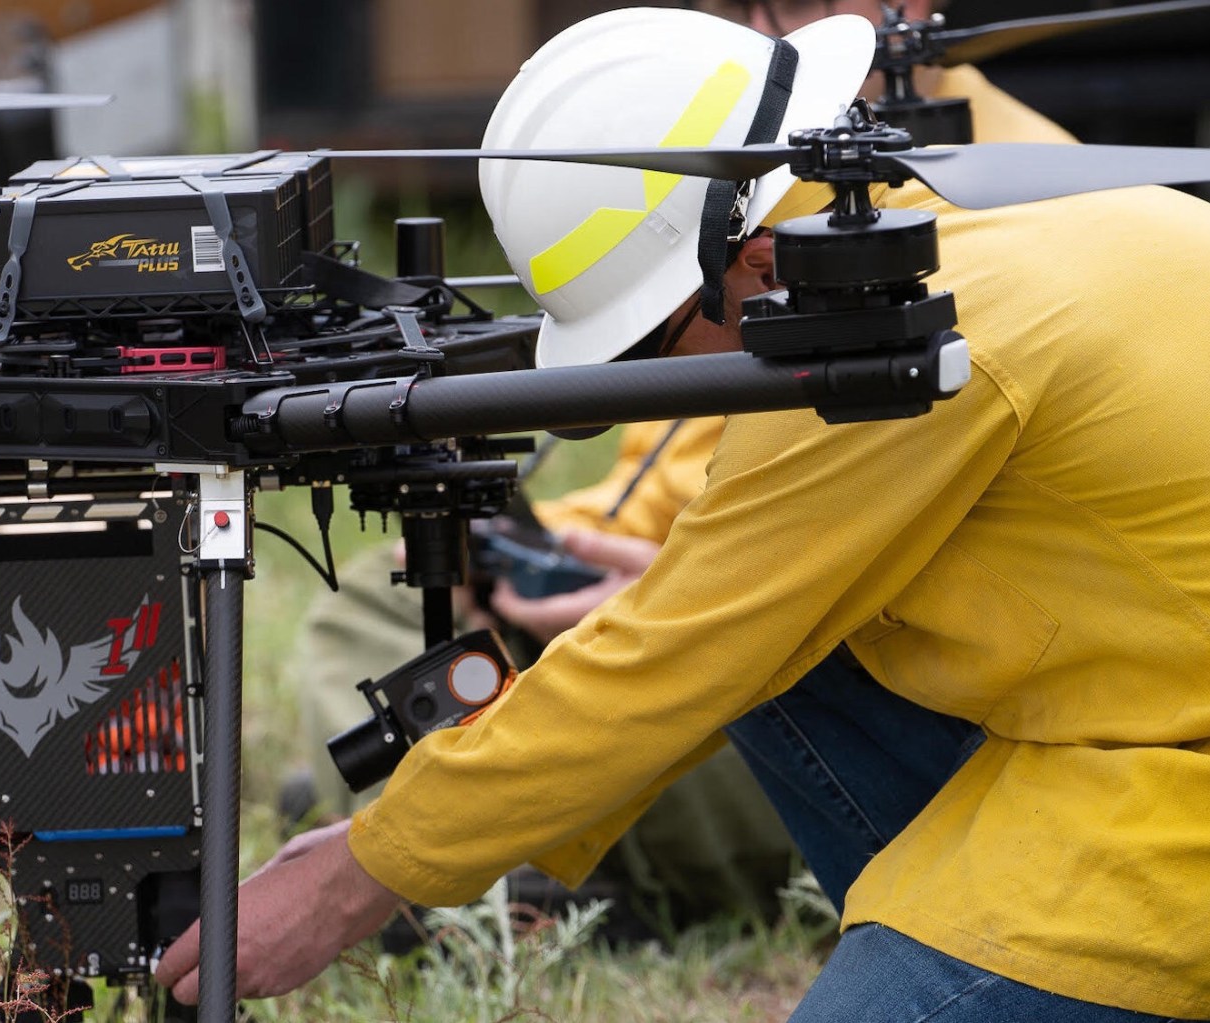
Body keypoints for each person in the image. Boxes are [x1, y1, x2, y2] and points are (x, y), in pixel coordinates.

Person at [161, 7, 1210, 1020]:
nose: (665, 381)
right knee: (767, 651)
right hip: (1178, 725)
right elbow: (714, 632)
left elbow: (671, 664)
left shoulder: (902, 350)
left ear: (751, 260)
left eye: (654, 340)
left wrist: (360, 873)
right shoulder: (1009, 237)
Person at [288, 0, 1078, 935]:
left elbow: (762, 584)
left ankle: (520, 871)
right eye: (746, 6)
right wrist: (567, 555)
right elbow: (695, 514)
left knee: (710, 680)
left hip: (829, 620)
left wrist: (375, 862)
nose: (771, 23)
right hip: (706, 581)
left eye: (799, 5)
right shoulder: (729, 174)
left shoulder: (947, 243)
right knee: (387, 601)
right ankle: (500, 849)